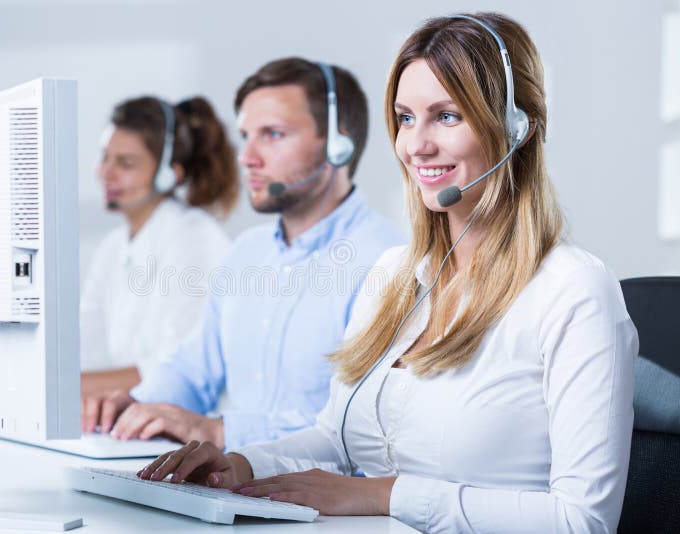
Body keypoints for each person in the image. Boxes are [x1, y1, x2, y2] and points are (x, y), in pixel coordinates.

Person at [138, 13, 638, 533]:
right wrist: (241, 465)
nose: (416, 145)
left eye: (447, 116)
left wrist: (383, 495)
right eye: (405, 118)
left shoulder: (573, 291)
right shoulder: (396, 276)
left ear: (517, 129)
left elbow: (582, 520)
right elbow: (334, 441)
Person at [81, 57, 405, 449]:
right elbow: (193, 368)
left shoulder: (387, 261)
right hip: (231, 476)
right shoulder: (248, 253)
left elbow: (364, 431)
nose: (247, 157)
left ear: (339, 144)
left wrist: (219, 432)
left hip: (318, 489)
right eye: (246, 136)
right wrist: (136, 404)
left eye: (272, 134)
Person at [80, 96, 238, 397]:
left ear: (169, 175)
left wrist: (59, 388)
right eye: (105, 157)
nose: (106, 173)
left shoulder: (195, 239)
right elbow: (83, 344)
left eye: (125, 163)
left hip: (188, 417)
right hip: (135, 413)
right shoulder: (112, 247)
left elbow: (180, 369)